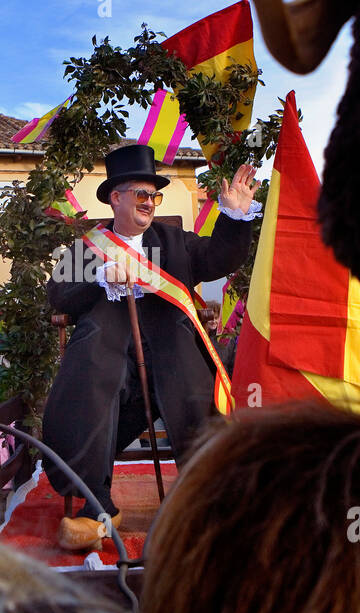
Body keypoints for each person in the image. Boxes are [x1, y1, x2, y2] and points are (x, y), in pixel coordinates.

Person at [42, 144, 259, 551]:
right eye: (142, 194)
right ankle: (95, 508)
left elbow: (220, 258)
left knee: (196, 395)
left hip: (170, 348)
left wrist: (234, 215)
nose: (150, 203)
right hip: (107, 348)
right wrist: (100, 275)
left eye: (155, 196)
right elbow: (58, 294)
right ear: (115, 197)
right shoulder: (88, 247)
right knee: (88, 384)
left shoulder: (173, 240)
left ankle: (206, 502)